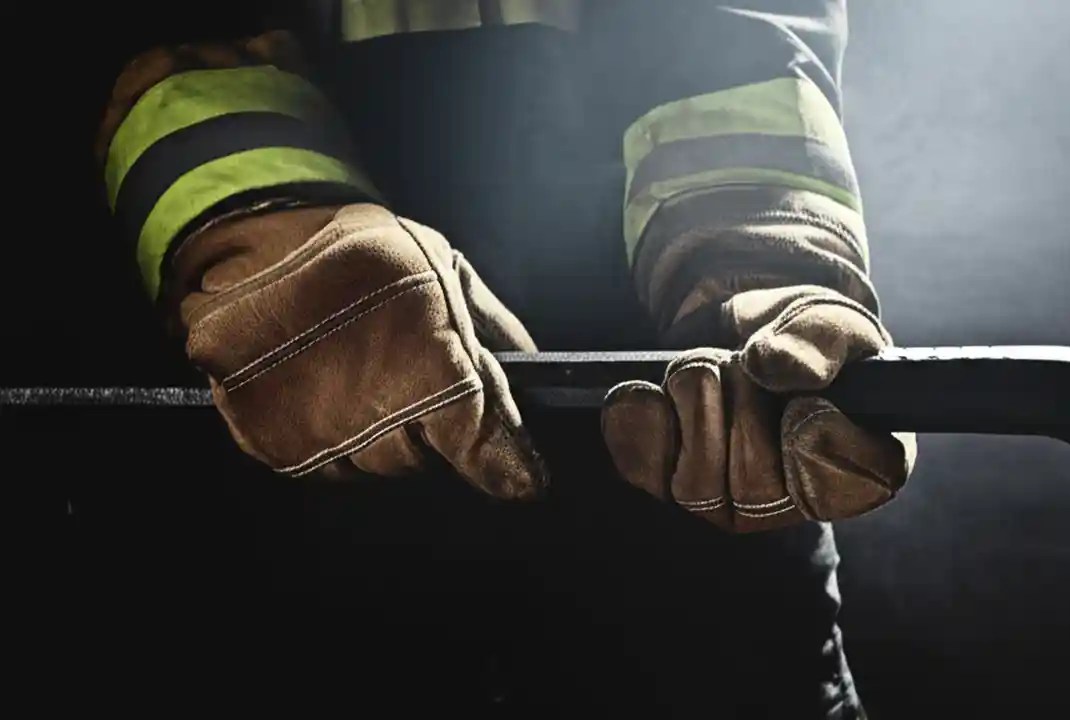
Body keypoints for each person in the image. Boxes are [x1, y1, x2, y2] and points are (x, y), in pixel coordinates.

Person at [92, 2, 916, 717]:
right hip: (298, 533)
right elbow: (142, 39)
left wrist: (760, 268)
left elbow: (743, 40)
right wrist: (282, 242)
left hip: (703, 516)